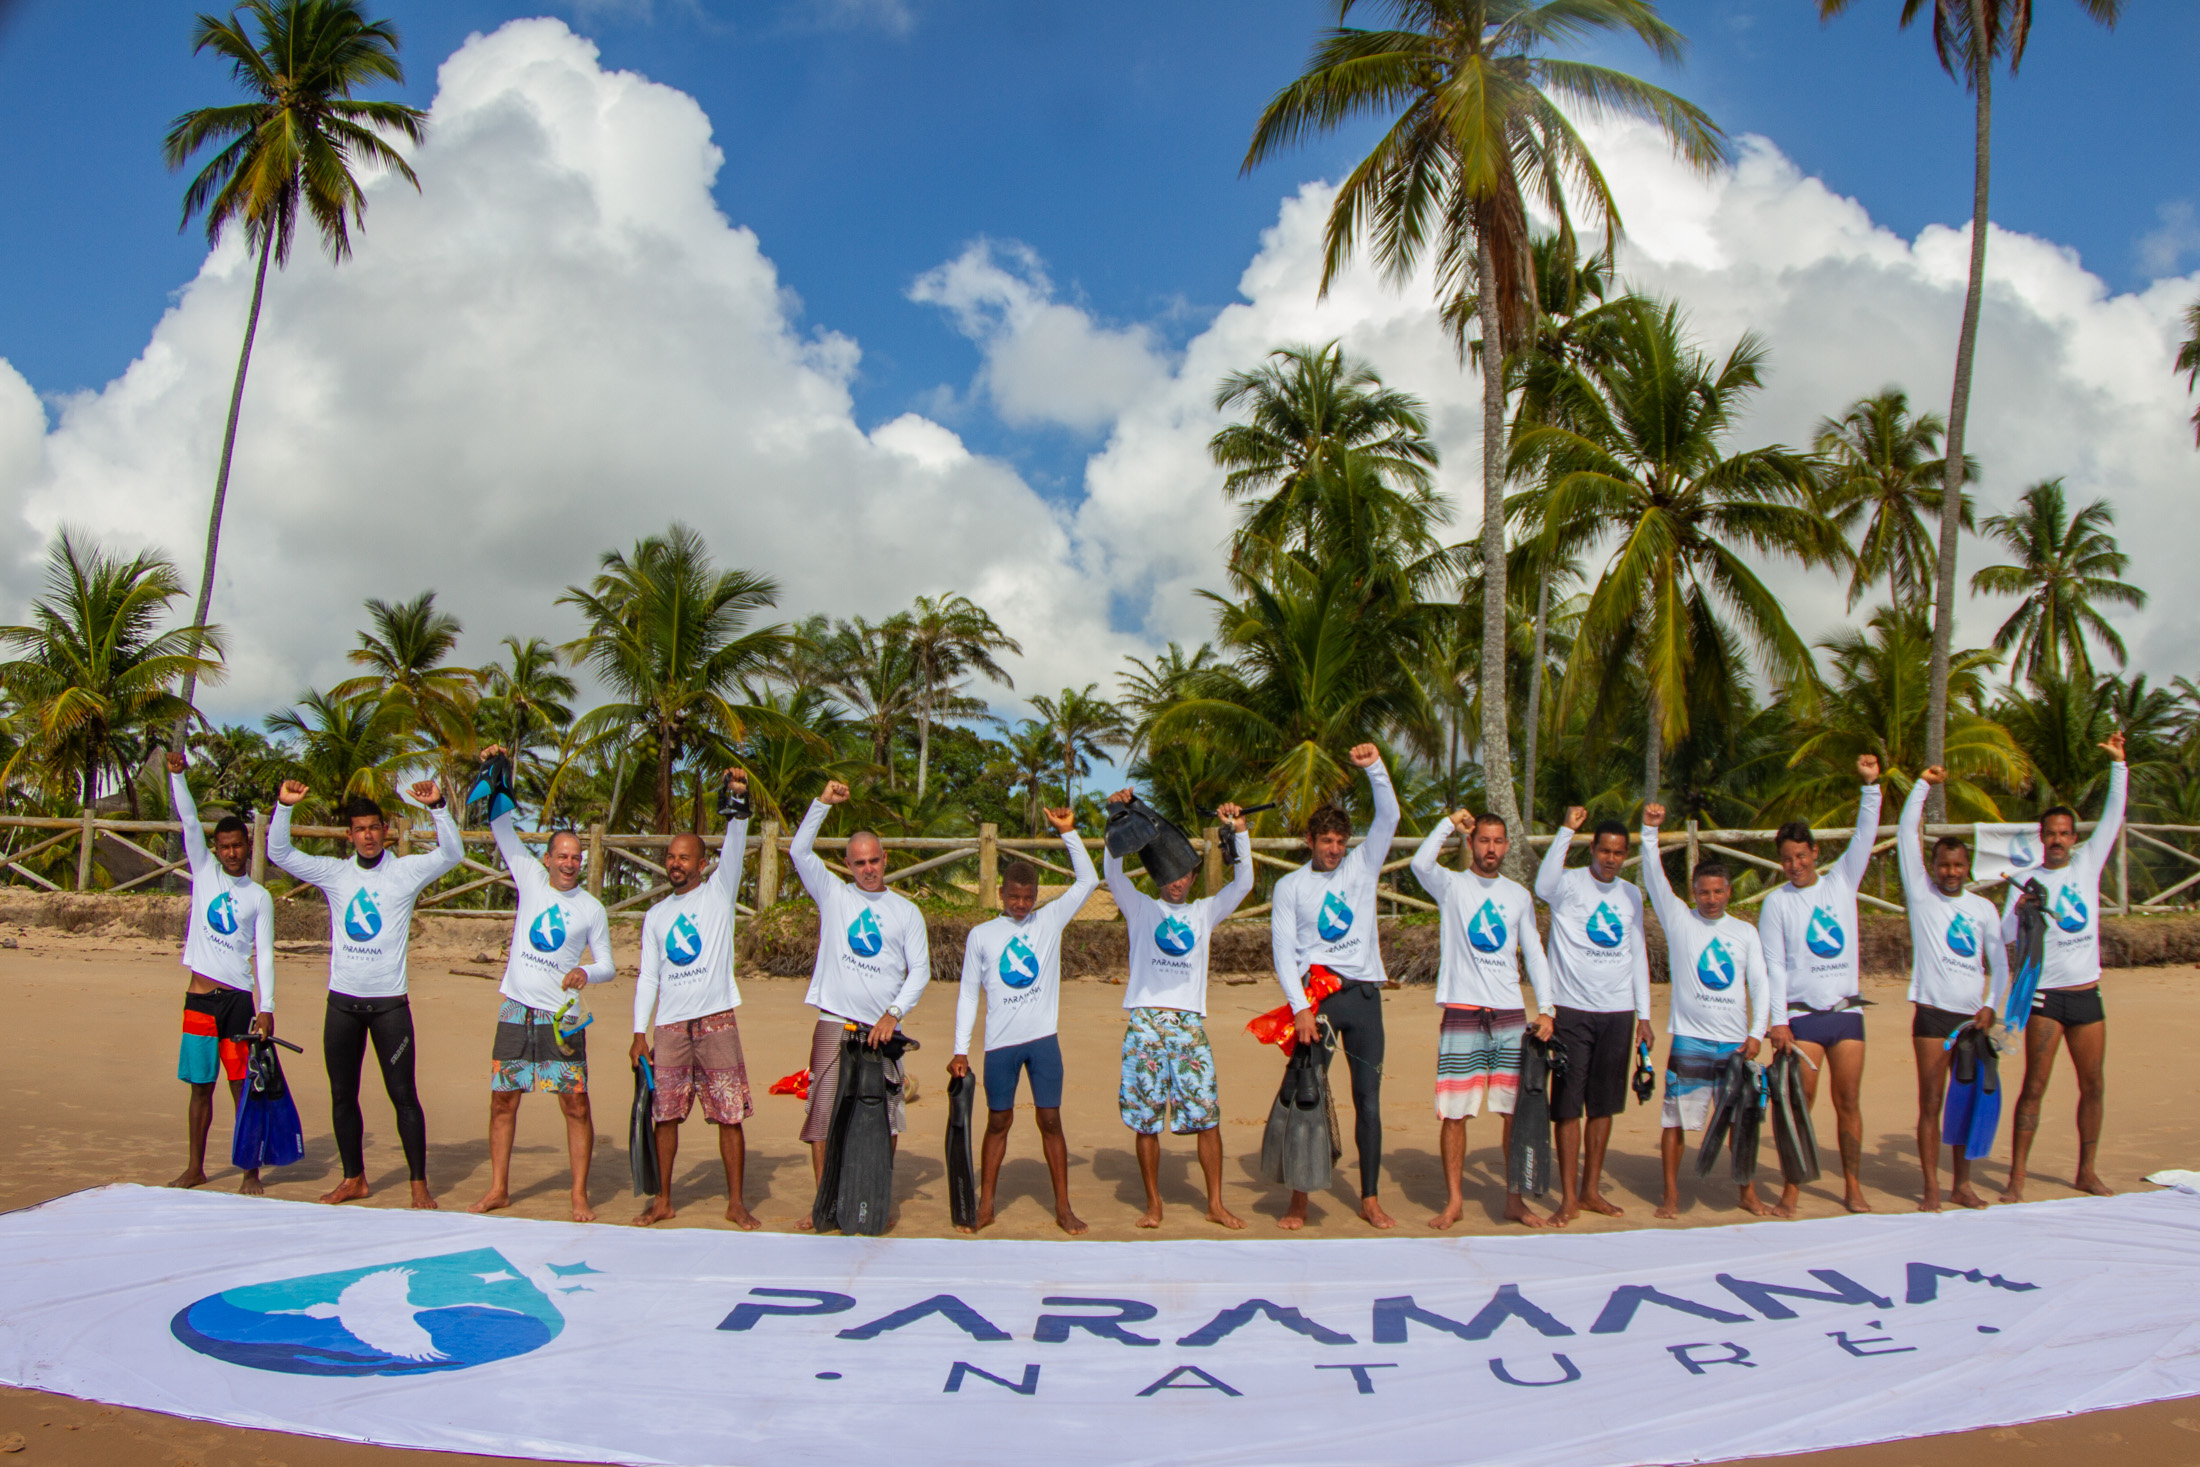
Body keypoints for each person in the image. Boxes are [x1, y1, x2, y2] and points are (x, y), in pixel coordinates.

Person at [269, 776, 462, 1209]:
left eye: (375, 827)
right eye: (360, 829)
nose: (368, 836)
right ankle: (353, 1178)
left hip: (390, 1006)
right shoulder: (336, 874)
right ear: (350, 835)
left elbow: (453, 853)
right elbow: (279, 853)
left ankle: (418, 1184)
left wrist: (438, 807)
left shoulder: (405, 872)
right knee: (342, 1095)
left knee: (404, 1096)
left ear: (386, 831)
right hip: (342, 1005)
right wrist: (284, 807)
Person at [466, 747, 614, 1223]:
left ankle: (578, 1194)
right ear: (547, 858)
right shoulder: (529, 877)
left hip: (562, 1017)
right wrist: (496, 764)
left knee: (575, 1105)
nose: (569, 863)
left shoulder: (591, 908)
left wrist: (585, 973)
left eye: (576, 857)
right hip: (516, 1008)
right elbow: (501, 825)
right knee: (503, 1100)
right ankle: (498, 1188)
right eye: (562, 856)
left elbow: (609, 964)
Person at [1104, 788, 1253, 1230]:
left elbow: (1243, 884)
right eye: (1169, 875)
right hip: (1145, 1022)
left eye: (1184, 875)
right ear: (1159, 877)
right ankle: (1154, 1204)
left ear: (1191, 876)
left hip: (1188, 1024)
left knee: (1207, 1117)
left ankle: (1215, 1203)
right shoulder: (1141, 908)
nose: (1177, 882)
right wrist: (1116, 815)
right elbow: (1114, 875)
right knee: (1145, 1122)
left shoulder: (1204, 913)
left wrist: (1239, 834)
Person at [1268, 743, 1401, 1230]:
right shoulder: (1290, 888)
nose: (1334, 850)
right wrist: (1300, 1006)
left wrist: (1374, 770)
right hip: (1318, 1001)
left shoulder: (1362, 869)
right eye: (1326, 841)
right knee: (1308, 1095)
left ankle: (1369, 1196)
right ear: (1309, 840)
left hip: (1364, 998)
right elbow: (1284, 953)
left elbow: (1390, 815)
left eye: (1340, 843)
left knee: (1368, 1098)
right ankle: (1299, 1198)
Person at [949, 805, 1099, 1235]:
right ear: (1000, 894)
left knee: (1050, 1120)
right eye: (1012, 897)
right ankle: (986, 1203)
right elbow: (966, 995)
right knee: (999, 1121)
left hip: (1042, 1041)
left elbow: (1088, 881)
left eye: (1027, 898)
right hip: (1000, 1044)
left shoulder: (1049, 920)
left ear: (1036, 895)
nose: (1020, 905)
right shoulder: (982, 936)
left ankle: (1063, 1207)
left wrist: (1068, 832)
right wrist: (961, 1048)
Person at [1408, 808, 1556, 1229]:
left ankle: (1514, 1200)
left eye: (1497, 842)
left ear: (1506, 846)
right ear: (1472, 844)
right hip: (1462, 1009)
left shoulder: (1518, 896)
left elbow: (1535, 952)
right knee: (1455, 1111)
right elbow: (1420, 863)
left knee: (1513, 1111)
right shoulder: (1452, 886)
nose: (1490, 849)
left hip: (1509, 1011)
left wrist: (1546, 1008)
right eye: (1483, 841)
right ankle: (1454, 1201)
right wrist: (1447, 825)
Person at [789, 779, 931, 1216]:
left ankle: (875, 1198)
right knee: (823, 1118)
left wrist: (893, 1014)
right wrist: (821, 803)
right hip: (834, 1021)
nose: (868, 869)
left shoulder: (906, 911)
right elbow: (798, 851)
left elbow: (920, 972)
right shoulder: (833, 894)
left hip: (882, 1030)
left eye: (874, 861)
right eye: (859, 863)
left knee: (884, 1118)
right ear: (847, 865)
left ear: (885, 859)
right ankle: (826, 1205)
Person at [2002, 730, 2126, 1202]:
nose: (2056, 841)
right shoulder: (2025, 882)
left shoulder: (2087, 864)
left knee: (2093, 1084)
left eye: (2063, 834)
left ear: (2074, 838)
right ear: (2041, 839)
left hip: (2086, 994)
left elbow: (2113, 817)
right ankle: (2016, 1178)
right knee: (2034, 1086)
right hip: (2045, 999)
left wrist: (2119, 765)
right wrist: (2019, 913)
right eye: (2049, 835)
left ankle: (2086, 1171)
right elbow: (2006, 938)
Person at [1758, 755, 1885, 1215]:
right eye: (1787, 859)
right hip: (1803, 1019)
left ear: (1815, 854)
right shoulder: (1776, 904)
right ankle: (1791, 1189)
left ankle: (1852, 1186)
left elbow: (1865, 836)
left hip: (1846, 1014)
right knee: (1798, 1105)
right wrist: (1779, 1022)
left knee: (1848, 1100)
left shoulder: (1841, 884)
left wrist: (1870, 786)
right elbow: (1774, 966)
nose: (1795, 865)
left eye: (1802, 856)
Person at [630, 769, 757, 1228]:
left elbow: (738, 842)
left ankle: (736, 1202)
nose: (676, 863)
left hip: (716, 1019)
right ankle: (663, 1199)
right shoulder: (656, 916)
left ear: (702, 864)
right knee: (665, 1116)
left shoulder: (719, 895)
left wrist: (737, 801)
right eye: (671, 857)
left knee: (729, 1115)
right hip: (669, 1027)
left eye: (685, 857)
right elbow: (648, 977)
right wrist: (637, 1033)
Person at [1640, 803, 1773, 1219]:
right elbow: (1655, 879)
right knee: (1674, 1121)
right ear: (1693, 891)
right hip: (1690, 1040)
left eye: (1718, 892)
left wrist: (1757, 1032)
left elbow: (1760, 984)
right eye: (1703, 892)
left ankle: (1746, 1193)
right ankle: (1671, 1195)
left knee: (1740, 1123)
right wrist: (1649, 832)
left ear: (1729, 892)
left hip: (1734, 1044)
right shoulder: (1680, 920)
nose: (1711, 899)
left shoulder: (1744, 932)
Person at [1897, 766, 2011, 1211]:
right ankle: (1929, 1187)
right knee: (1931, 1103)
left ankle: (1961, 1183)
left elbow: (1999, 963)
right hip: (1932, 1015)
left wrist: (1989, 1006)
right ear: (1934, 867)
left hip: (1973, 1022)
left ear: (1968, 867)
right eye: (1944, 864)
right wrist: (1923, 785)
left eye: (1959, 865)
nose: (1951, 871)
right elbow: (1908, 833)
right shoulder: (1922, 895)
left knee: (1964, 1106)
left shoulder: (1983, 908)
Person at [165, 751, 276, 1194]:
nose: (232, 853)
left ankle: (250, 1170)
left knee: (241, 1087)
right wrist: (178, 778)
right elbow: (190, 821)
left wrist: (265, 1009)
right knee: (199, 1088)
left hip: (238, 1002)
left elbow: (263, 956)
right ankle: (196, 1167)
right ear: (216, 849)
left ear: (249, 845)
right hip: (199, 999)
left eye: (238, 846)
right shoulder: (205, 872)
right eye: (225, 846)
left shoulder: (259, 896)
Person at [1535, 810, 1654, 1224]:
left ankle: (1590, 1190)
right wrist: (1565, 827)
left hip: (1618, 1011)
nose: (1611, 858)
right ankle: (1567, 1196)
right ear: (1593, 849)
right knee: (1568, 1106)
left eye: (1619, 853)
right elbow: (1542, 884)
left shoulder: (1631, 895)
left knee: (1603, 1106)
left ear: (1626, 855)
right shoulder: (1568, 884)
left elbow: (1637, 953)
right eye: (1604, 850)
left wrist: (1645, 1014)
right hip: (1571, 1009)